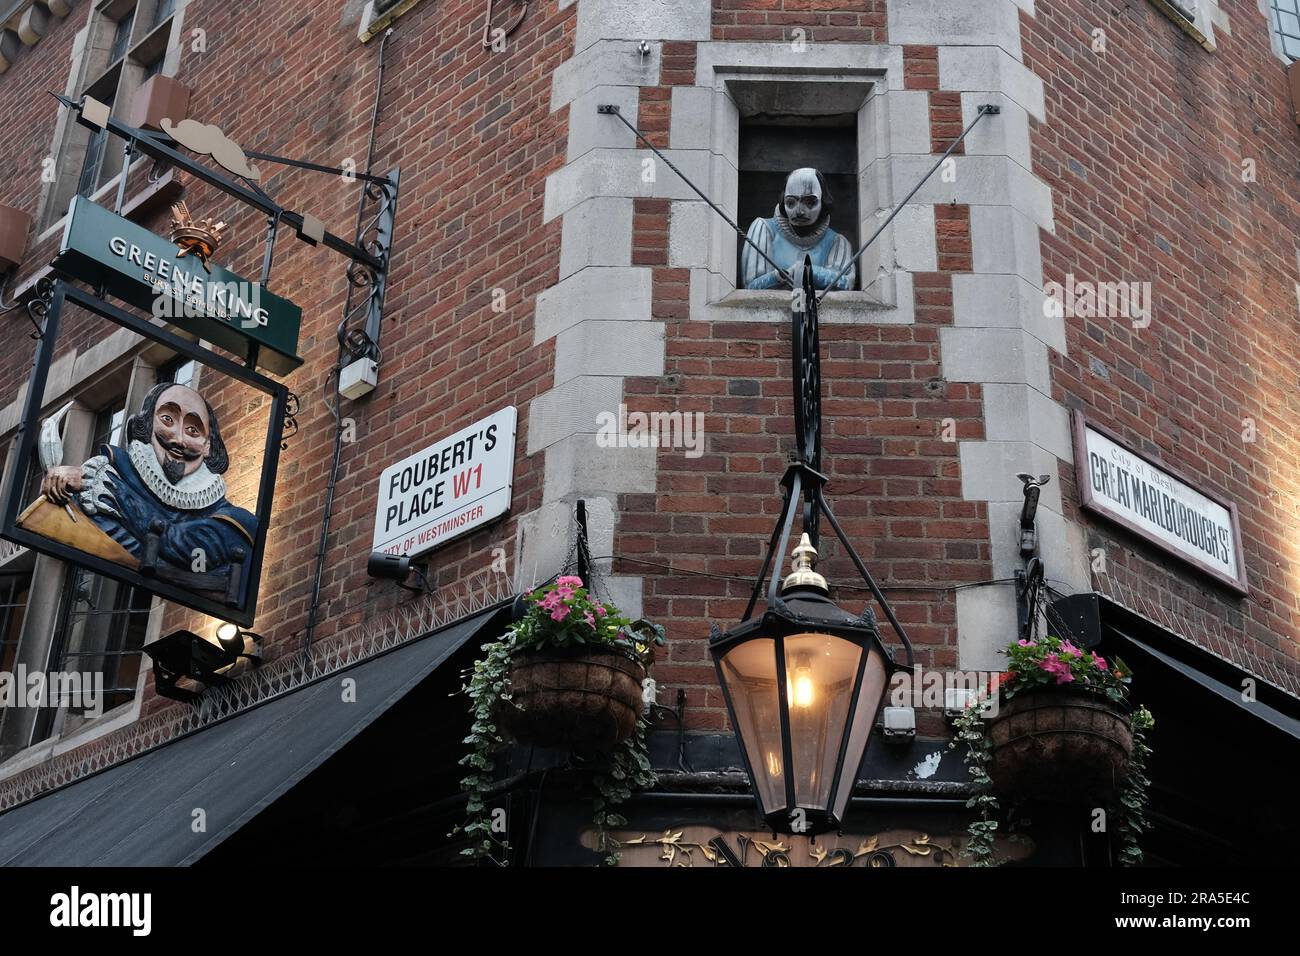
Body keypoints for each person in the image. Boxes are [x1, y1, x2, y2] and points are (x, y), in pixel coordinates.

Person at [37, 382, 255, 583]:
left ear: (207, 446)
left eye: (193, 430)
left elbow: (186, 548)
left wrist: (108, 487)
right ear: (148, 423)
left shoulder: (237, 521)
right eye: (167, 419)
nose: (178, 439)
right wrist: (61, 484)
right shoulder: (113, 470)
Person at [741, 167, 855, 292]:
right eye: (791, 203)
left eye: (810, 202)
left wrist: (805, 271)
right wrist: (778, 277)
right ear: (783, 202)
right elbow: (751, 287)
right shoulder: (763, 229)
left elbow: (845, 284)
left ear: (823, 202)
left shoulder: (837, 242)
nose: (799, 211)